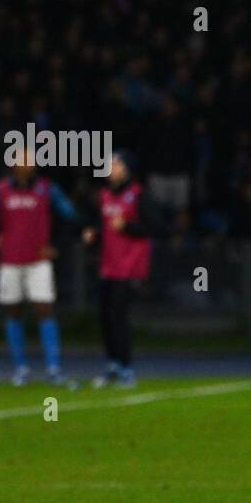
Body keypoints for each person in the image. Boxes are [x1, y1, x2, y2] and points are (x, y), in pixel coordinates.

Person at [0, 146, 79, 386]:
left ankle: (53, 367)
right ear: (13, 164)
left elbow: (69, 216)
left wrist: (55, 244)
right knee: (13, 311)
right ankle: (20, 368)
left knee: (44, 309)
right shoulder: (0, 190)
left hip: (39, 260)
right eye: (23, 159)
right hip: (10, 259)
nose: (28, 163)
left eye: (31, 159)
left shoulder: (47, 189)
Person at [82, 152, 163, 388]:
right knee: (105, 317)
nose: (111, 168)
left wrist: (128, 226)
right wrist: (93, 234)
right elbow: (103, 227)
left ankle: (127, 369)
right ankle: (112, 365)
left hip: (130, 266)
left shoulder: (138, 194)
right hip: (109, 265)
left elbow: (156, 227)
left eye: (116, 164)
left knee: (119, 317)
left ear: (126, 168)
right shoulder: (104, 195)